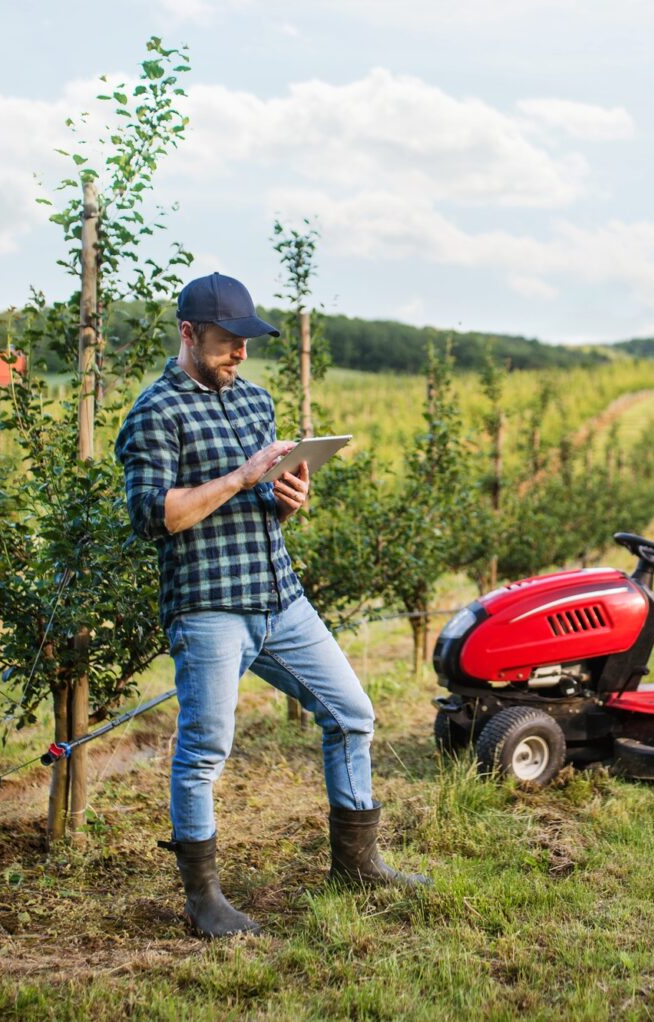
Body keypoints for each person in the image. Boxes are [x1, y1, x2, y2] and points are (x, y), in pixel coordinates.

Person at [115, 271, 428, 939]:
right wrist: (244, 475)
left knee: (351, 714)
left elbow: (258, 503)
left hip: (280, 597)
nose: (241, 356)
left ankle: (357, 864)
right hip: (209, 608)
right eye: (229, 343)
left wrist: (284, 501)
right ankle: (204, 901)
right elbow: (153, 518)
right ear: (189, 334)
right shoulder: (154, 412)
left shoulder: (256, 402)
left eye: (247, 343)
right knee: (205, 750)